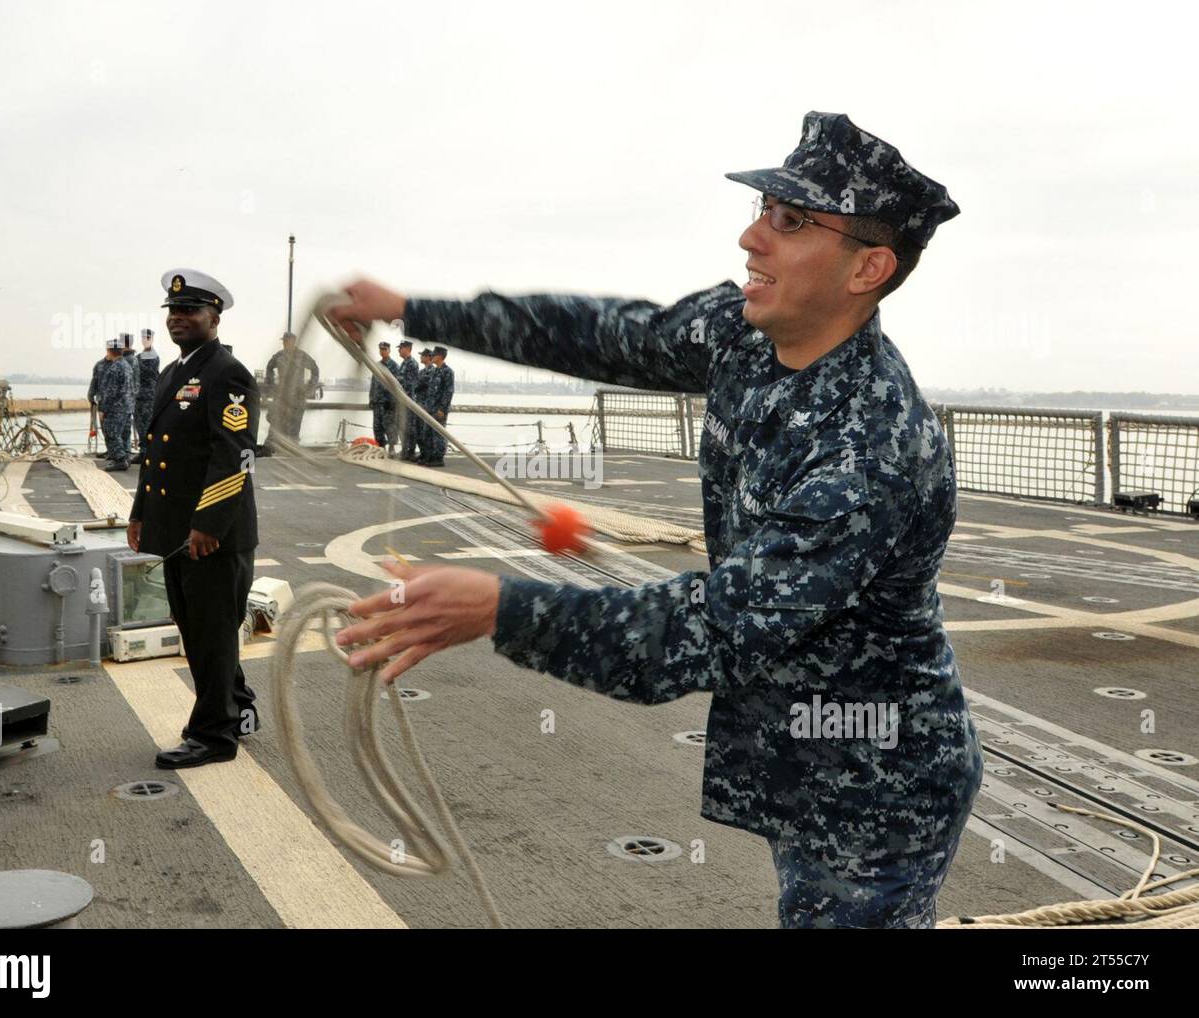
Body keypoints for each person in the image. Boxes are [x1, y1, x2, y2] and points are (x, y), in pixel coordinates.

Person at [327, 111, 984, 929]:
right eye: (761, 212)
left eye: (789, 220)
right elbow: (604, 333)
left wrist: (500, 607)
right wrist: (417, 309)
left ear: (868, 269)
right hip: (801, 751)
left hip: (878, 787)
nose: (752, 237)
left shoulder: (875, 448)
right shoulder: (744, 334)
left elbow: (709, 628)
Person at [127, 268, 260, 769]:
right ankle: (239, 710)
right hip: (177, 531)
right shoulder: (173, 372)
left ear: (215, 317)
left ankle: (213, 736)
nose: (179, 319)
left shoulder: (228, 373)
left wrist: (208, 524)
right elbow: (155, 453)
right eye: (174, 311)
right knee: (204, 631)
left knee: (211, 634)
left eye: (190, 311)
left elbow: (235, 456)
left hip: (213, 536)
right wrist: (141, 514)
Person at [263, 331, 319, 448]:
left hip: (298, 396)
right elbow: (269, 368)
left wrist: (309, 387)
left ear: (293, 341)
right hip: (281, 395)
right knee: (275, 423)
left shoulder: (302, 356)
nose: (284, 343)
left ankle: (293, 449)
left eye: (286, 340)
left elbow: (315, 370)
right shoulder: (278, 356)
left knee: (295, 425)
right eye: (283, 341)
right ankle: (270, 447)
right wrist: (272, 385)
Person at [98, 336, 134, 471]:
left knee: (112, 433)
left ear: (109, 350)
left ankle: (119, 460)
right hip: (127, 407)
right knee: (122, 434)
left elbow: (110, 392)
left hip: (115, 408)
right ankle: (124, 458)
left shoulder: (114, 368)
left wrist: (103, 410)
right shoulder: (127, 366)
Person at [419, 345, 453, 467]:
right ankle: (430, 456)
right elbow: (430, 391)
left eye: (434, 354)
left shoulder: (448, 372)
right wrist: (425, 405)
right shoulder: (434, 371)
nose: (431, 356)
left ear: (439, 356)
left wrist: (442, 409)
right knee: (427, 433)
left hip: (439, 409)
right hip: (429, 408)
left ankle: (438, 458)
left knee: (438, 433)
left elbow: (448, 392)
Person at [368, 340, 399, 454]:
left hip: (387, 403)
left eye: (385, 349)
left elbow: (397, 386)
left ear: (389, 351)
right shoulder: (377, 366)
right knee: (377, 427)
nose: (382, 351)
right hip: (377, 402)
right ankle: (381, 447)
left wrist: (392, 401)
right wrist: (371, 398)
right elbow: (373, 383)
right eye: (381, 349)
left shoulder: (394, 366)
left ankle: (391, 448)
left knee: (389, 426)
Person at [135, 327, 160, 454]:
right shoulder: (140, 356)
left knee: (146, 425)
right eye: (143, 338)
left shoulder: (153, 356)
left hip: (148, 396)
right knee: (139, 425)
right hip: (139, 396)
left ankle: (147, 452)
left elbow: (148, 372)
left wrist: (136, 364)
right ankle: (143, 451)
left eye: (148, 338)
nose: (145, 340)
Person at [395, 340, 421, 462]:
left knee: (410, 427)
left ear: (407, 349)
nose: (399, 350)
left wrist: (397, 380)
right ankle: (405, 449)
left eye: (401, 348)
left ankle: (410, 451)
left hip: (409, 400)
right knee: (402, 426)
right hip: (402, 401)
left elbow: (410, 384)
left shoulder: (412, 364)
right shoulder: (404, 363)